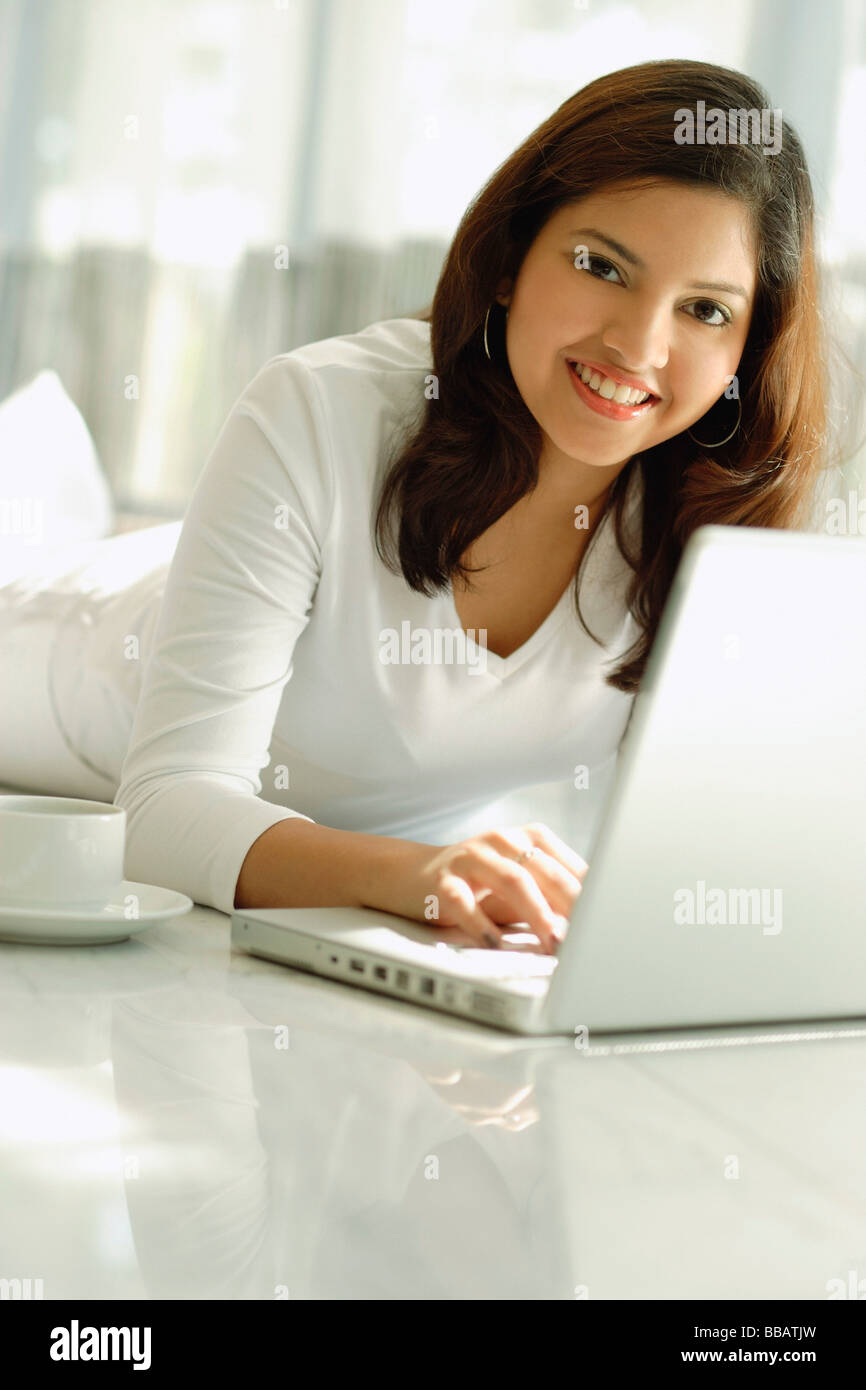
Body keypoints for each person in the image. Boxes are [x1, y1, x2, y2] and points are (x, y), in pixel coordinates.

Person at [0, 59, 831, 952]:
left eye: (706, 310)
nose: (639, 345)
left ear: (752, 344)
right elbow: (163, 813)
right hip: (50, 662)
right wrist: (415, 874)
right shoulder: (320, 410)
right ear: (510, 258)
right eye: (601, 266)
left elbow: (723, 852)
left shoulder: (723, 523)